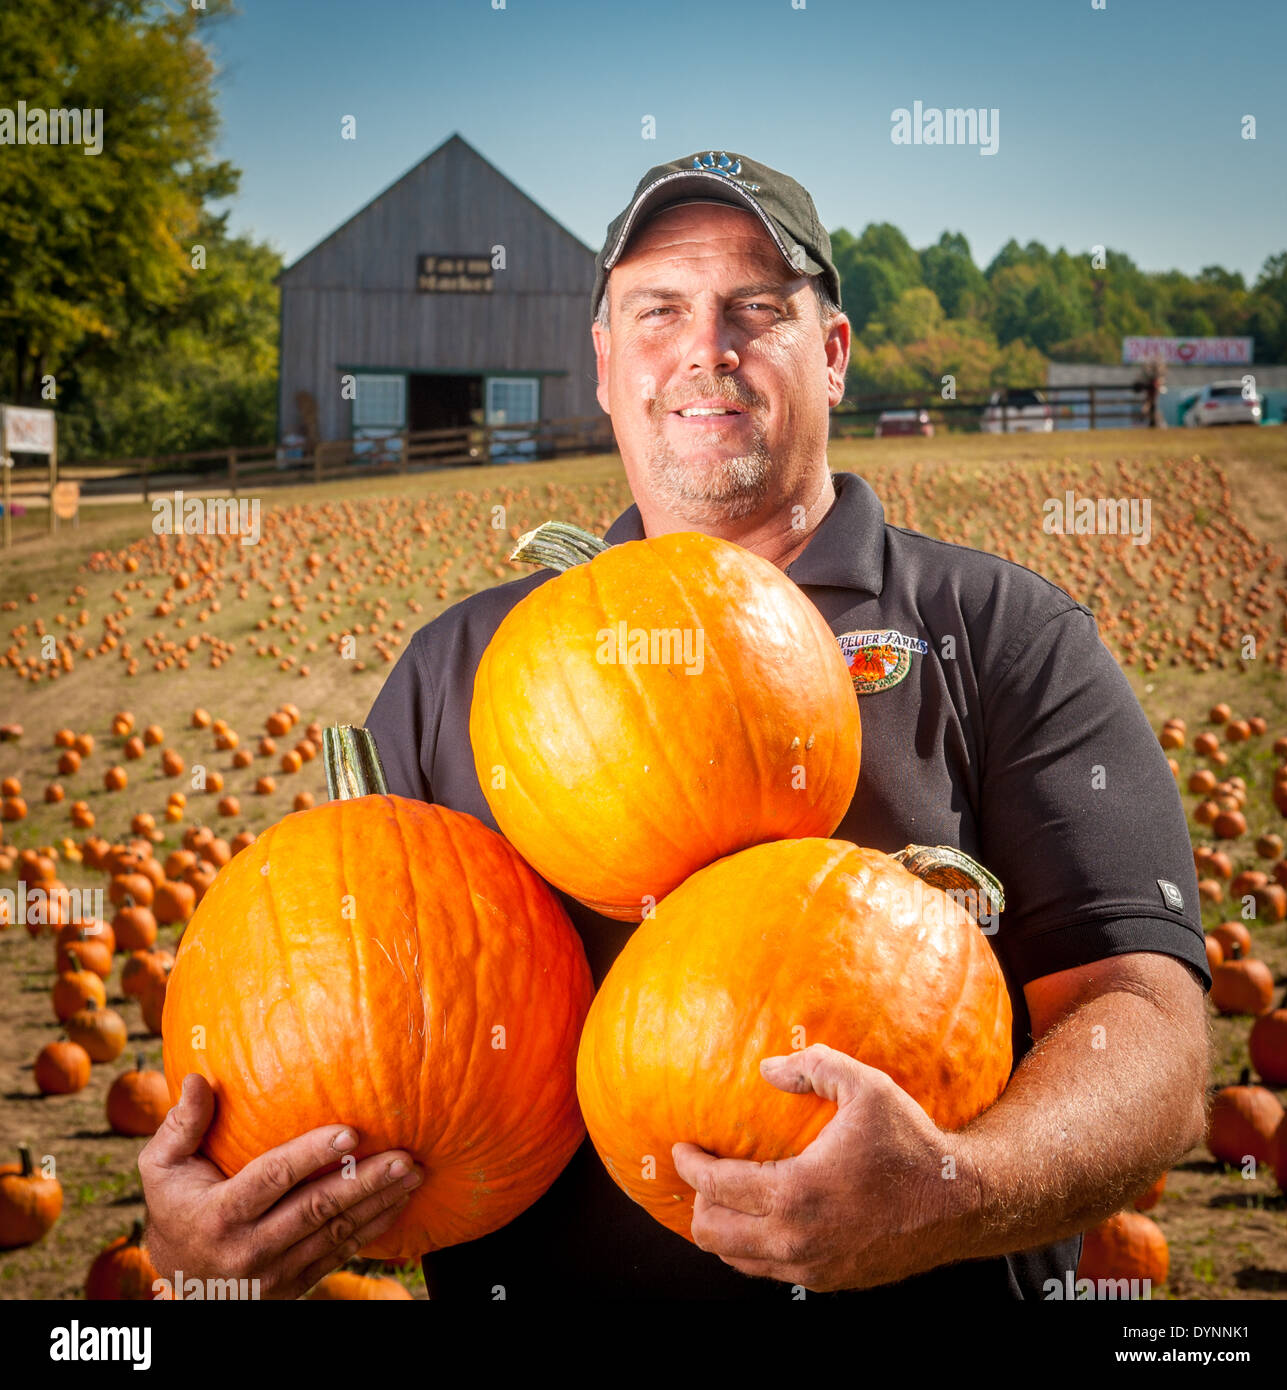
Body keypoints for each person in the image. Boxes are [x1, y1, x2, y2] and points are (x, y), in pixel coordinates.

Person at [140, 150, 1210, 1301]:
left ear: (834, 354)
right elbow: (333, 997)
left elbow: (1145, 1026)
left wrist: (960, 1186)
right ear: (604, 365)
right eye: (659, 309)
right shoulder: (458, 668)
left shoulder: (999, 634)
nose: (708, 347)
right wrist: (216, 1246)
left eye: (758, 307)